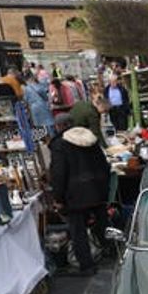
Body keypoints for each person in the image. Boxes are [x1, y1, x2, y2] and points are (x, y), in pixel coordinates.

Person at [49, 113, 111, 276]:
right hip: (96, 189)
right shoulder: (90, 138)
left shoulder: (60, 144)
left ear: (58, 127)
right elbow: (104, 165)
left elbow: (59, 174)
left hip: (74, 194)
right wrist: (104, 187)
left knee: (78, 232)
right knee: (102, 224)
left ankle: (87, 265)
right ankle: (111, 252)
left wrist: (58, 198)